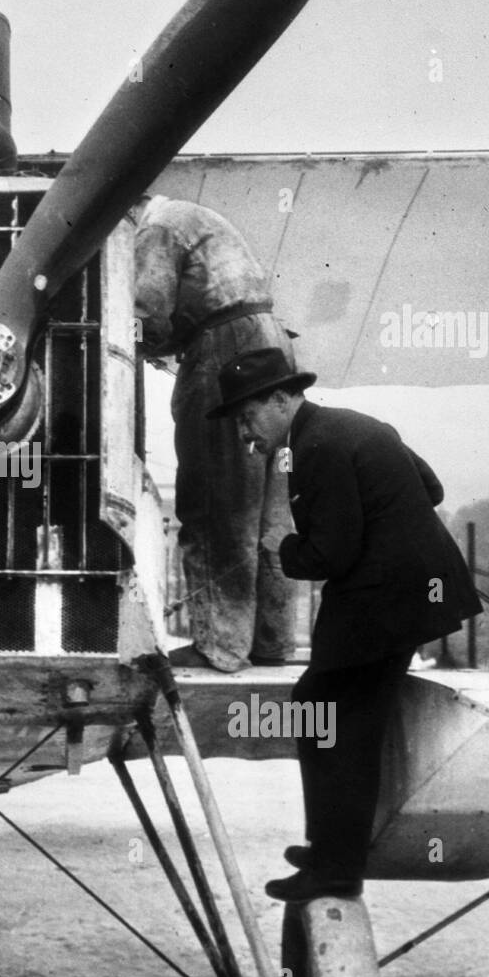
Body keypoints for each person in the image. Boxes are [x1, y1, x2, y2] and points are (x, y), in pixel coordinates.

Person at [207, 348, 482, 902]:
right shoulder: (351, 426)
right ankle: (333, 852)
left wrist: (281, 546)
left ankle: (335, 868)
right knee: (332, 717)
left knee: (329, 722)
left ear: (281, 399)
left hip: (385, 602)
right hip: (408, 594)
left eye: (247, 416)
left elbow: (330, 555)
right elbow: (430, 488)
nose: (244, 433)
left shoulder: (315, 446)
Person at [130, 194, 299, 672]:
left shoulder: (155, 227)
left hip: (222, 347)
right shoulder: (195, 215)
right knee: (269, 511)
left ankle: (221, 647)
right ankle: (271, 643)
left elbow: (147, 315)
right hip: (272, 343)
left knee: (214, 504)